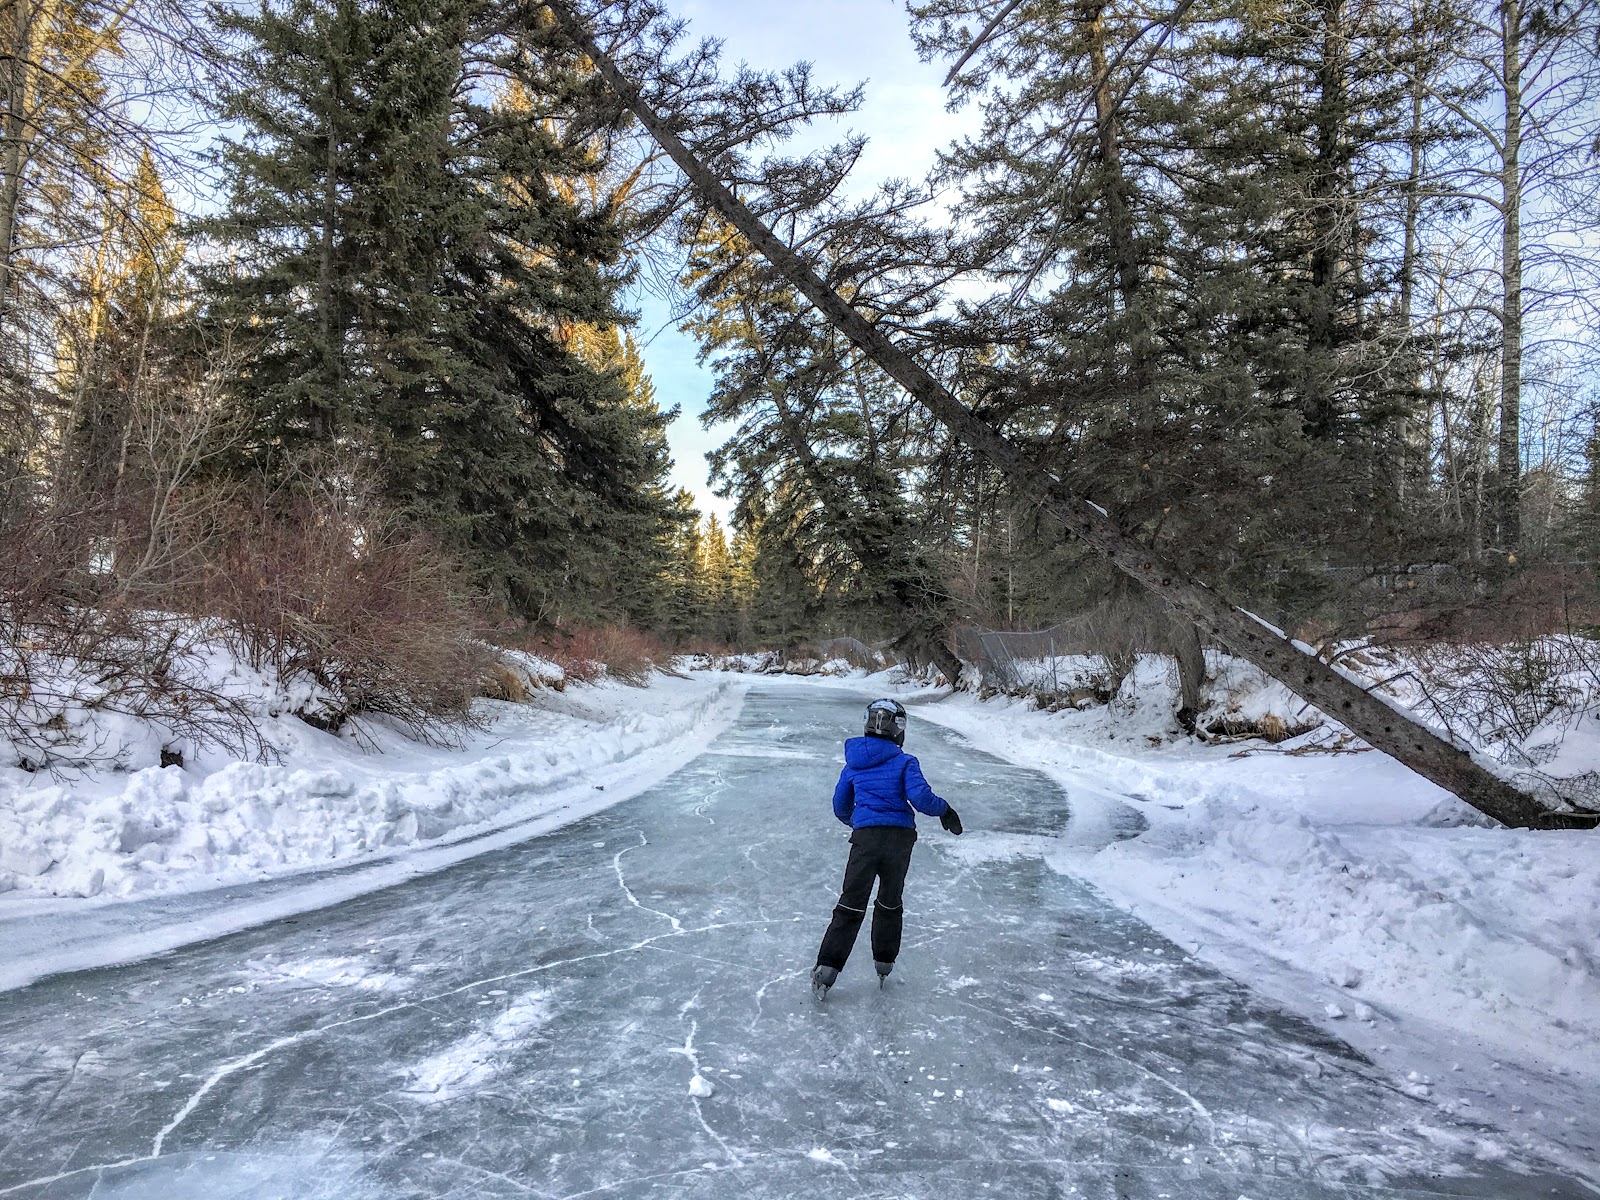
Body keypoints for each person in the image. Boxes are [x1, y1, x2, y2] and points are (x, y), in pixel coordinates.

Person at [811, 697, 962, 1000]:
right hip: (899, 841)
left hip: (865, 841)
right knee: (889, 902)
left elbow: (840, 805)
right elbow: (920, 797)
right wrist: (944, 809)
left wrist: (862, 822)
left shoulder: (853, 764)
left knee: (851, 902)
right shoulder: (905, 762)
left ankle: (827, 969)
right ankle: (884, 961)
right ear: (898, 730)